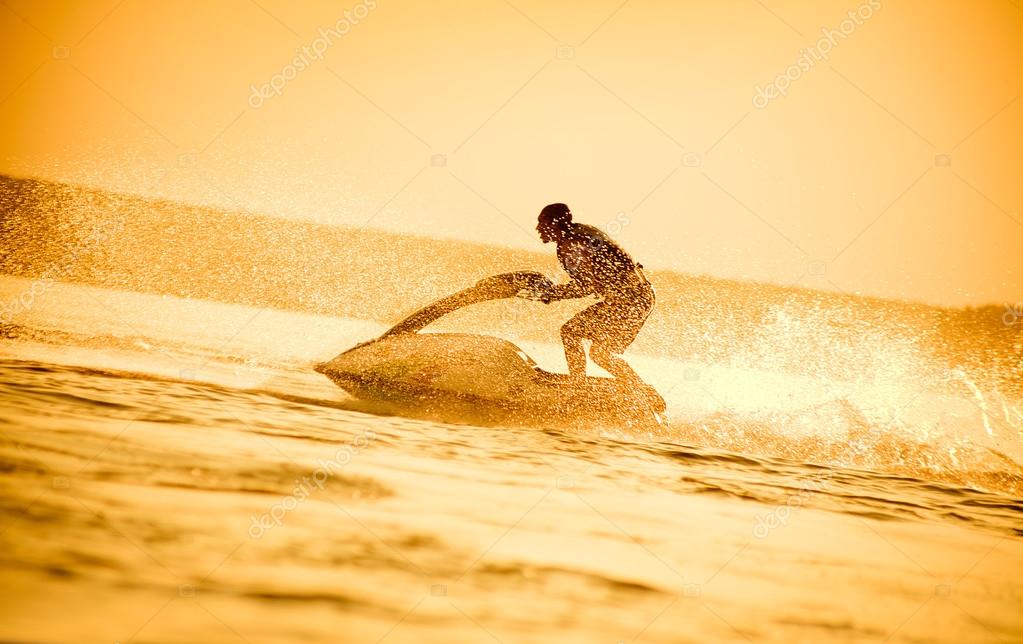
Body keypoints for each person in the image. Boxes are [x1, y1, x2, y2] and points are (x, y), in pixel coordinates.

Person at [520, 203, 654, 386]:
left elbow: (586, 287)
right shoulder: (581, 231)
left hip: (630, 300)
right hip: (642, 296)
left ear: (555, 223)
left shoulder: (571, 244)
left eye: (542, 222)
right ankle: (644, 392)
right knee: (601, 354)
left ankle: (577, 386)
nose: (538, 228)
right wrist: (553, 293)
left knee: (570, 332)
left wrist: (552, 294)